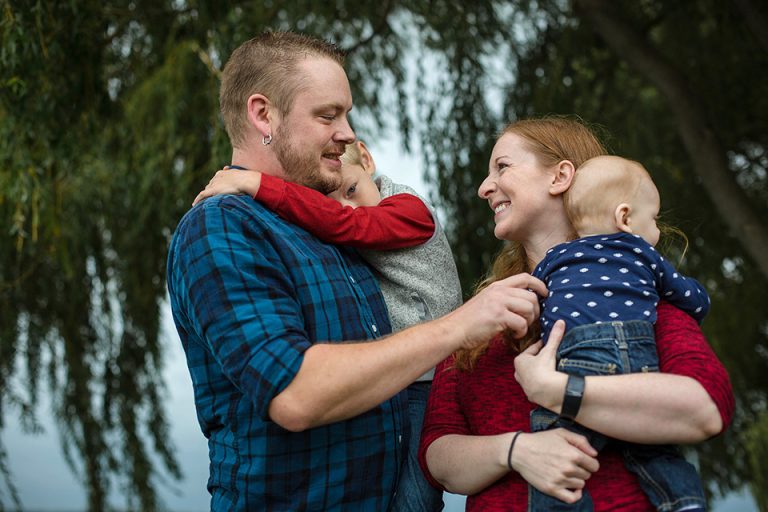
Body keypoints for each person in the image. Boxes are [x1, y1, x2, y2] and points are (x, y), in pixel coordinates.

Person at [166, 31, 545, 511]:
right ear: (263, 115)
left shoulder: (335, 224)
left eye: (346, 114)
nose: (347, 132)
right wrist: (460, 325)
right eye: (328, 115)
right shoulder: (223, 226)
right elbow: (295, 393)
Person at [417, 117, 734, 512]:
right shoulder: (478, 322)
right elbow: (437, 454)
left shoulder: (634, 296)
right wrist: (516, 450)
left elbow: (705, 410)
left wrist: (560, 392)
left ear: (560, 176)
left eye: (503, 166)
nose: (484, 187)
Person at [192, 139, 463, 511]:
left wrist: (257, 184)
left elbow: (344, 224)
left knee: (415, 498)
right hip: (400, 378)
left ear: (367, 159)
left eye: (352, 190)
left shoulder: (410, 209)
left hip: (429, 380)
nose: (347, 205)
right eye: (333, 200)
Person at [529, 155, 710, 511]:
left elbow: (534, 300)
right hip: (636, 355)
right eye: (654, 219)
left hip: (577, 357)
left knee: (561, 452)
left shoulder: (555, 256)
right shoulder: (641, 250)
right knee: (653, 446)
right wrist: (700, 298)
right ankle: (683, 502)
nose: (657, 231)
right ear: (625, 217)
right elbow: (688, 296)